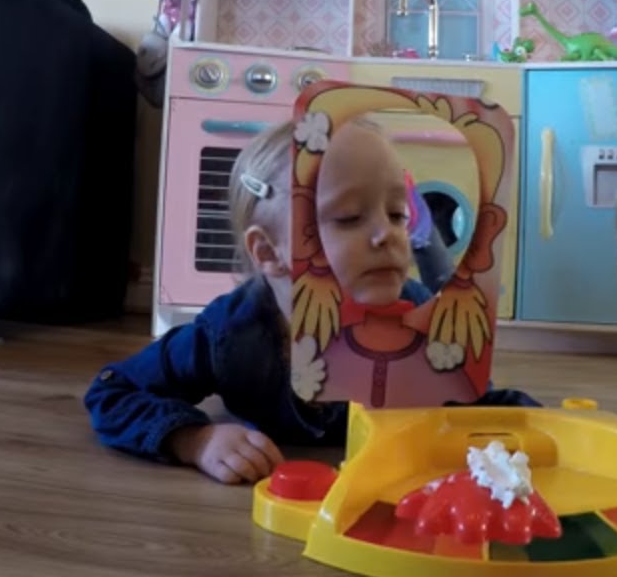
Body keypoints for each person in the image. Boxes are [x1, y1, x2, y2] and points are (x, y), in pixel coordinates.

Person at [84, 116, 538, 484]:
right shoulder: (229, 336)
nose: (387, 235)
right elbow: (112, 391)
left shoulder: (423, 324)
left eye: (398, 213)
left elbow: (480, 407)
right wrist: (194, 440)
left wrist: (541, 431)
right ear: (270, 253)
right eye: (349, 217)